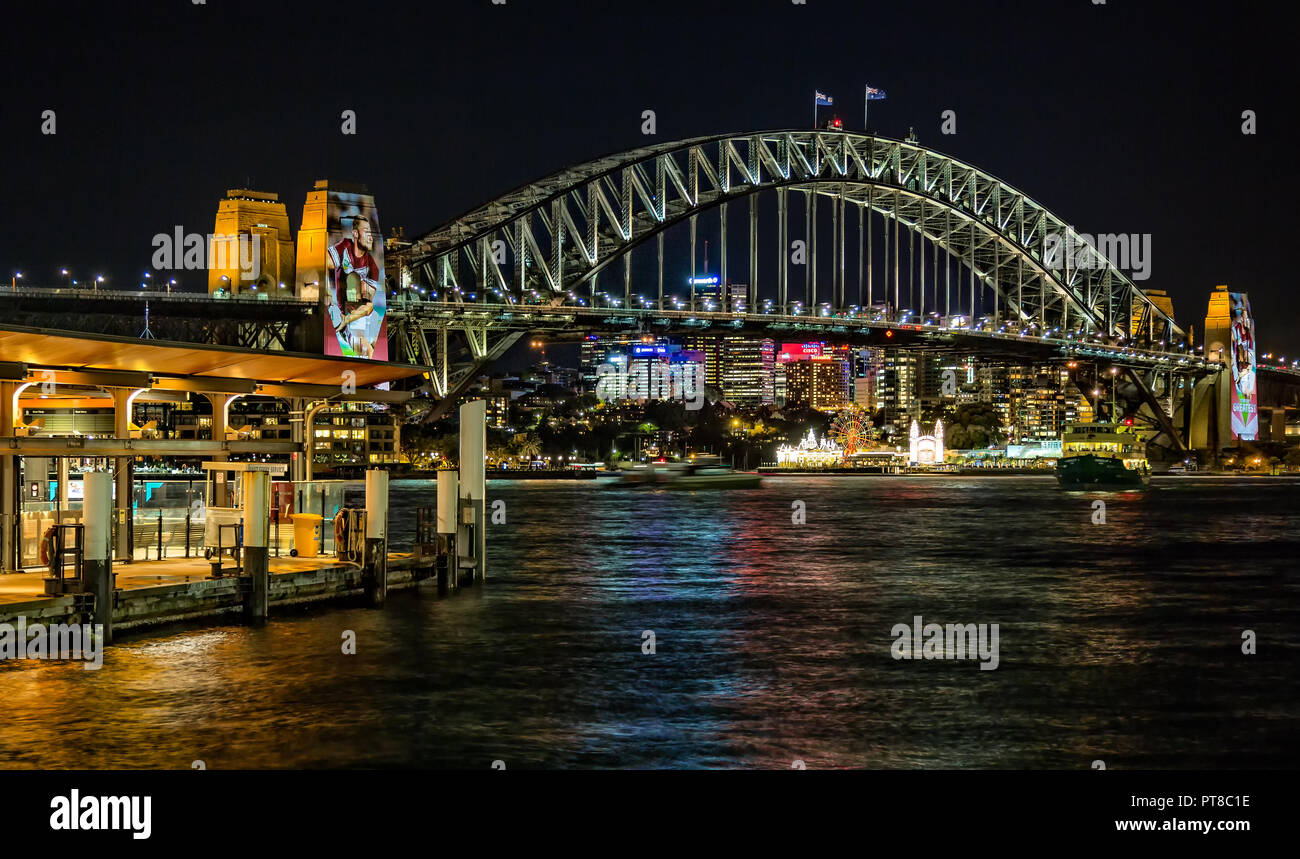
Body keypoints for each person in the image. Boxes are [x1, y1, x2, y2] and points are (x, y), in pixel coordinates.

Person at [327, 215, 382, 357]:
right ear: (356, 233)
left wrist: (346, 320)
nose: (371, 237)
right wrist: (327, 294)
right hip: (349, 319)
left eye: (371, 233)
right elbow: (322, 264)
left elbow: (368, 306)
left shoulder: (373, 266)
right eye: (367, 232)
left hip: (367, 317)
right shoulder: (344, 247)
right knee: (368, 353)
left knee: (374, 356)